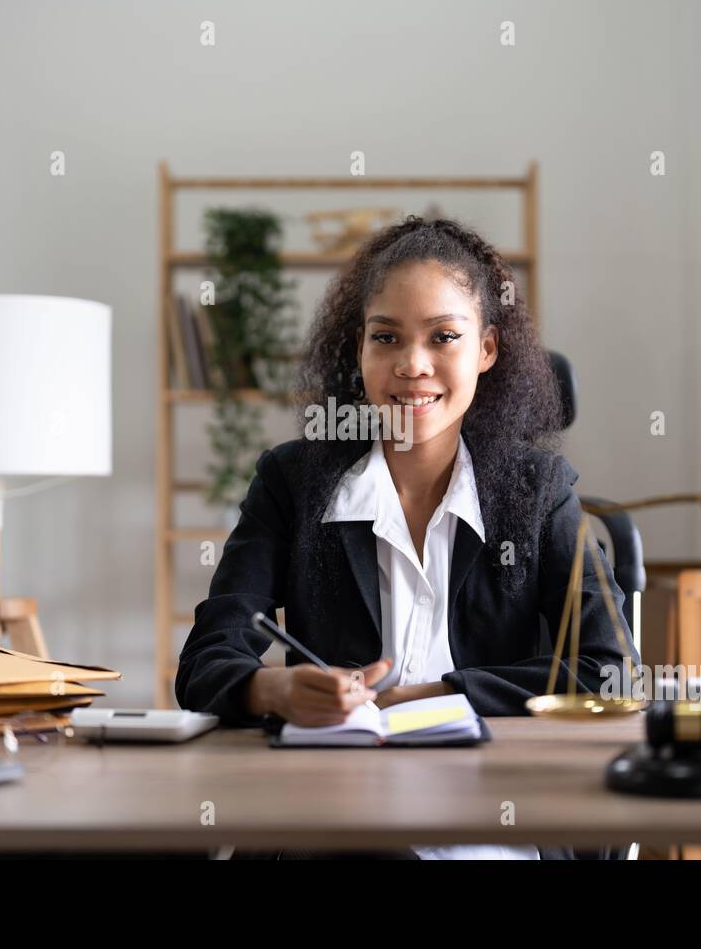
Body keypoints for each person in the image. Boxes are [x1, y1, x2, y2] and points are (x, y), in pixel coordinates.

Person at [176, 215, 638, 859]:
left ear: (486, 349)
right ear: (358, 350)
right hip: (337, 822)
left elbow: (611, 671)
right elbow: (207, 657)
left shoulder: (539, 491)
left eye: (443, 336)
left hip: (496, 818)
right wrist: (270, 689)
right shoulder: (293, 482)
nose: (411, 366)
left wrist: (436, 694)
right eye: (385, 338)